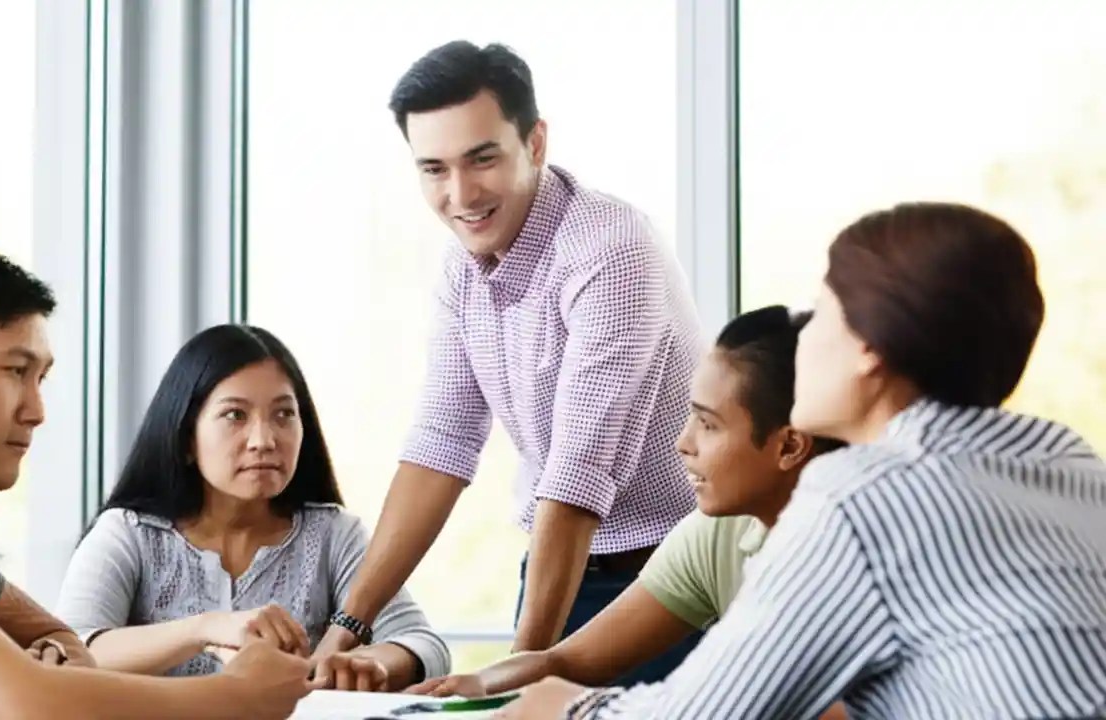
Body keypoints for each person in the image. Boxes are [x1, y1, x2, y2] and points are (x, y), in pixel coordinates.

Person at [516, 202, 1106, 719]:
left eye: (822, 314)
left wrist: (566, 708)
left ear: (868, 352)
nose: (804, 338)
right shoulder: (1075, 466)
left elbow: (706, 713)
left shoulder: (858, 498)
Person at [315, 40, 704, 685]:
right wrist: (344, 629)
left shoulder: (610, 251)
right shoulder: (461, 270)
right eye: (433, 169)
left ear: (536, 143)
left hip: (676, 578)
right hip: (563, 569)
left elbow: (577, 477)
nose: (460, 194)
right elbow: (442, 444)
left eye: (482, 159)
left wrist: (513, 679)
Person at [0, 245, 313, 719]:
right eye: (16, 372)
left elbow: (56, 636)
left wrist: (53, 660)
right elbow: (21, 705)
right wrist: (236, 696)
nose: (36, 412)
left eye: (41, 379)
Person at [412, 306, 842, 720]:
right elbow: (569, 661)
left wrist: (581, 710)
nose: (684, 443)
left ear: (789, 446)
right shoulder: (717, 535)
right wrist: (479, 684)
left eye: (708, 425)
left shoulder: (856, 553)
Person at [57, 324, 449, 691]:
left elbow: (423, 645)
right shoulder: (127, 533)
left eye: (283, 414)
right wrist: (207, 629)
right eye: (234, 415)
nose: (263, 439)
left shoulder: (334, 534)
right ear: (186, 437)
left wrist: (372, 663)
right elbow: (69, 652)